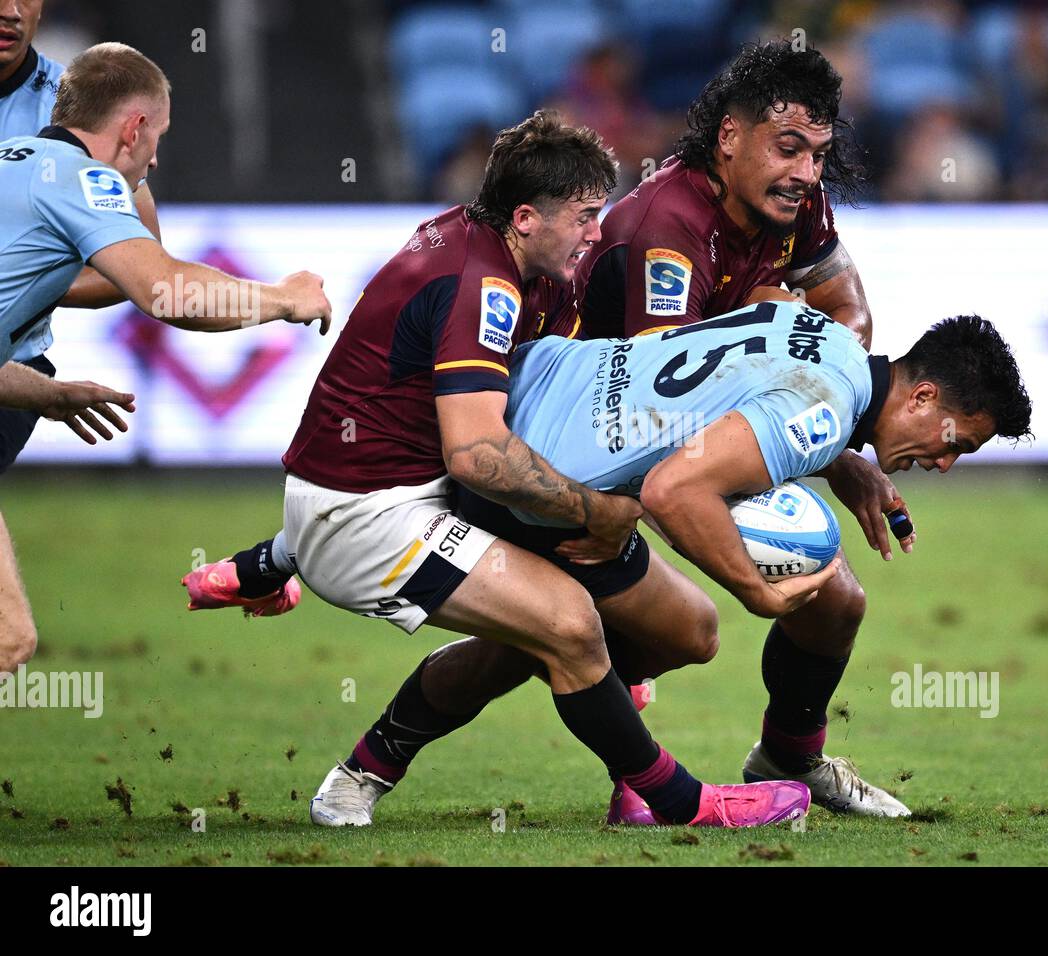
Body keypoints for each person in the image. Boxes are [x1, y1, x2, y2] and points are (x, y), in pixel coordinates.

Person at [191, 39, 931, 821]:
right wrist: (614, 510)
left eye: (819, 154)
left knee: (592, 632)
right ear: (731, 138)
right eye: (790, 149)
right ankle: (670, 797)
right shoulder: (655, 234)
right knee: (624, 630)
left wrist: (833, 435)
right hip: (575, 461)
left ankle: (779, 759)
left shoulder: (768, 205)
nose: (808, 172)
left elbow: (841, 320)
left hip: (552, 457)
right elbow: (659, 414)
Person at [274, 111, 813, 829]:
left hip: (439, 491)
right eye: (587, 215)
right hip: (369, 516)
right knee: (565, 623)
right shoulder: (482, 282)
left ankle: (370, 763)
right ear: (525, 217)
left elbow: (556, 418)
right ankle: (676, 800)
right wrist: (596, 511)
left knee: (688, 631)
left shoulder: (538, 272)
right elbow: (477, 452)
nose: (600, 231)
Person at [0, 41, 331, 678]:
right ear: (134, 128)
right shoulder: (83, 178)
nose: (155, 154)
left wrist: (46, 394)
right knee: (8, 640)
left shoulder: (14, 163)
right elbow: (165, 289)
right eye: (159, 135)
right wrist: (283, 299)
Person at [0, 0, 164, 472]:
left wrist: (32, 285)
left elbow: (142, 260)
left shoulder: (73, 104)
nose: (11, 10)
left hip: (16, 368)